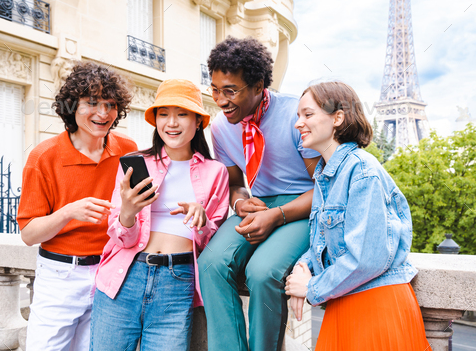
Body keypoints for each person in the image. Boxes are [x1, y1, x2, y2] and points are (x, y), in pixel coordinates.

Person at [197, 36, 321, 351]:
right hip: (259, 205)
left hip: (302, 207)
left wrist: (277, 215)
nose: (220, 100)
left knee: (263, 272)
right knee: (211, 264)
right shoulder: (221, 128)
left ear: (258, 85)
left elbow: (324, 187)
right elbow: (235, 182)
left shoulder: (297, 115)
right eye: (215, 89)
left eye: (230, 91)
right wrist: (239, 202)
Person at [286, 81, 430, 350]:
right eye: (298, 116)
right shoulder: (326, 175)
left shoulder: (362, 170)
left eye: (307, 114)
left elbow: (367, 258)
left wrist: (311, 288)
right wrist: (303, 266)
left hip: (375, 307)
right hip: (347, 302)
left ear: (337, 118)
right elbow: (326, 242)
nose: (298, 124)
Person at [90, 79, 229, 351]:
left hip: (177, 284)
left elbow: (212, 243)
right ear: (155, 121)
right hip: (124, 277)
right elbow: (121, 237)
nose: (172, 123)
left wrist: (201, 221)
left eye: (182, 114)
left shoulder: (216, 172)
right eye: (163, 114)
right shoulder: (136, 163)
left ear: (198, 121)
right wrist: (128, 213)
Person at [16, 61, 137, 350]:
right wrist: (69, 212)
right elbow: (29, 234)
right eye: (91, 103)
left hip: (110, 274)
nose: (103, 113)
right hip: (60, 277)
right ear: (71, 106)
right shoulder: (43, 157)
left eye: (110, 104)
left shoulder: (128, 150)